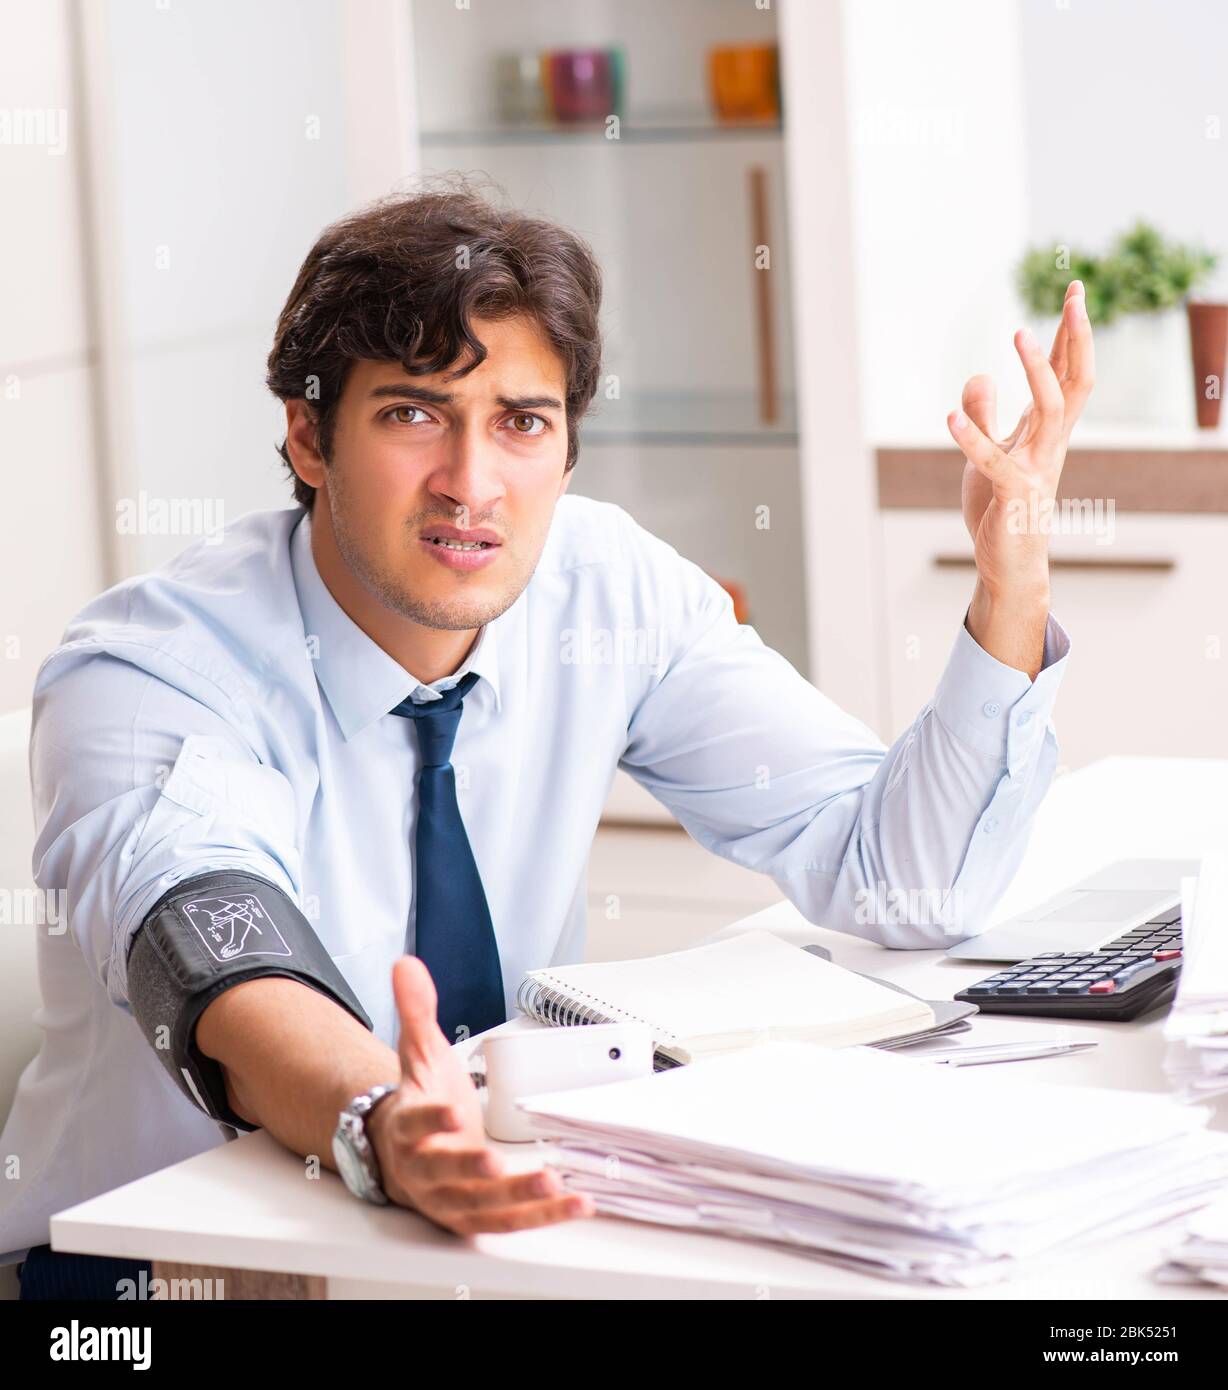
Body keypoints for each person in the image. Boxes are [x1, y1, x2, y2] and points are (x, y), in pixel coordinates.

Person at [1, 182, 1092, 1298]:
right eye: (413, 414)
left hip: (475, 1226)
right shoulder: (151, 672)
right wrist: (386, 1121)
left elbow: (905, 882)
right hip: (160, 1263)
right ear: (309, 437)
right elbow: (220, 955)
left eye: (521, 423)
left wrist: (1012, 583)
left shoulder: (605, 591)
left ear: (566, 453)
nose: (470, 485)